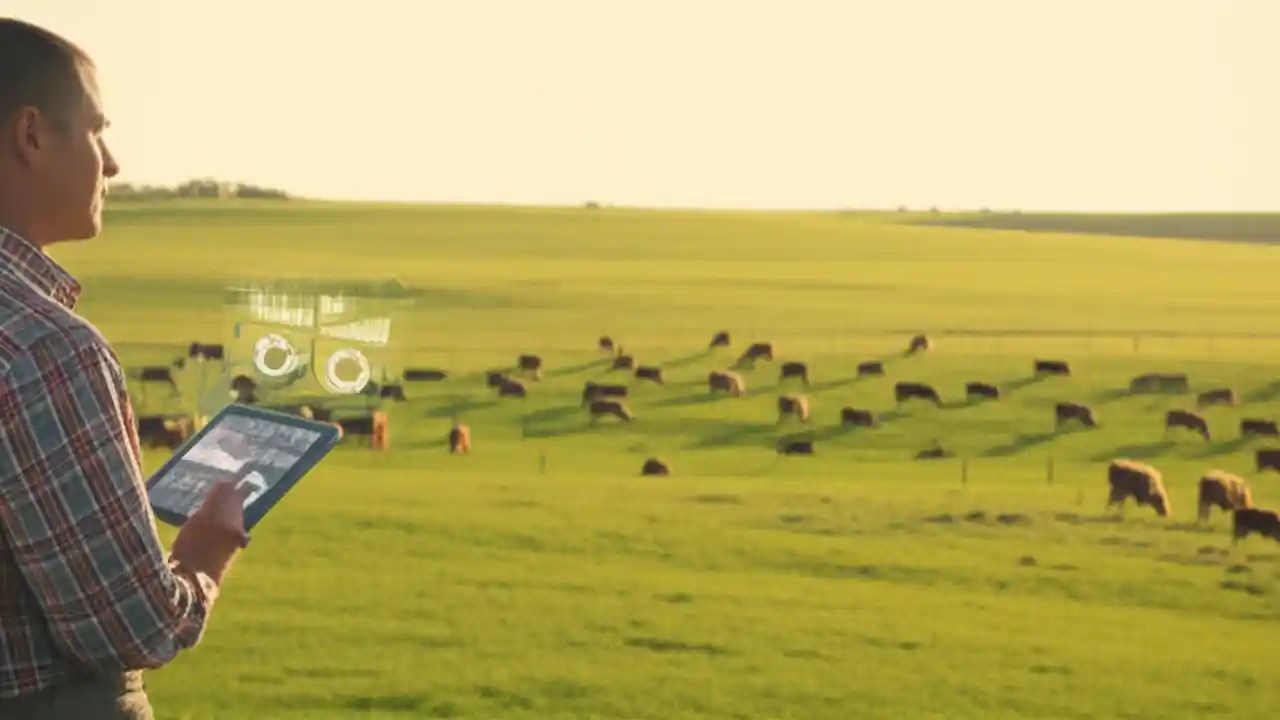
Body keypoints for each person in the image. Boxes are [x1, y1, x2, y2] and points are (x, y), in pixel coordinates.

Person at [0, 18, 250, 719]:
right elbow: (129, 628)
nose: (111, 163)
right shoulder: (43, 350)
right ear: (31, 135)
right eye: (95, 130)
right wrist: (203, 555)